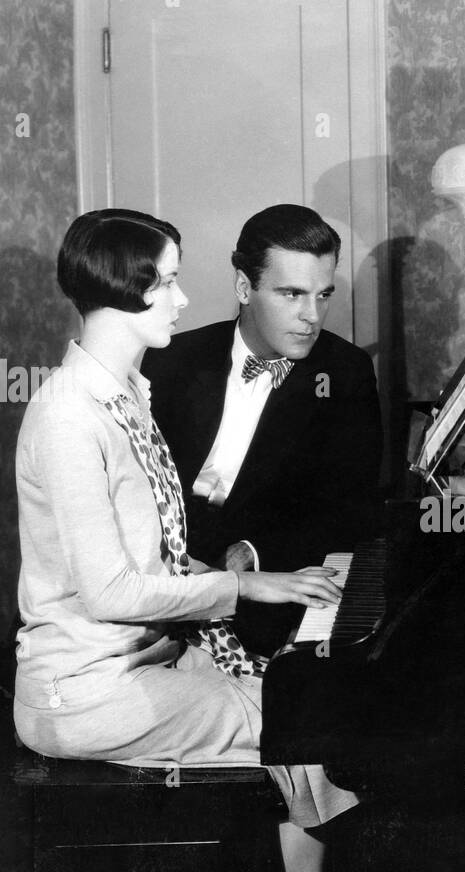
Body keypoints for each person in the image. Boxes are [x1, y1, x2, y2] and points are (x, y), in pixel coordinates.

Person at [13, 208, 389, 872]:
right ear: (129, 291)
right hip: (90, 683)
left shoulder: (124, 397)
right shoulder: (70, 413)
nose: (185, 301)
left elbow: (149, 559)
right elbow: (110, 587)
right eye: (170, 281)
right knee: (304, 729)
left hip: (136, 654)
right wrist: (236, 590)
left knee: (299, 705)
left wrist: (207, 601)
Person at [140, 205, 381, 657]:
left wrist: (252, 552)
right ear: (244, 287)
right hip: (166, 556)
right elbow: (144, 486)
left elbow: (353, 507)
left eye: (323, 294)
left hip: (271, 564)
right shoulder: (173, 357)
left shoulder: (346, 372)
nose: (312, 315)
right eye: (292, 294)